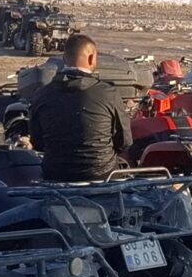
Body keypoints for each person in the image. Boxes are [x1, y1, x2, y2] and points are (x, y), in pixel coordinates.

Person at [28, 34, 133, 182]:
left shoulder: (42, 94)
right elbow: (125, 142)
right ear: (91, 59)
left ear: (64, 59)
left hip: (56, 175)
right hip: (102, 175)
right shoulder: (108, 93)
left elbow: (38, 143)